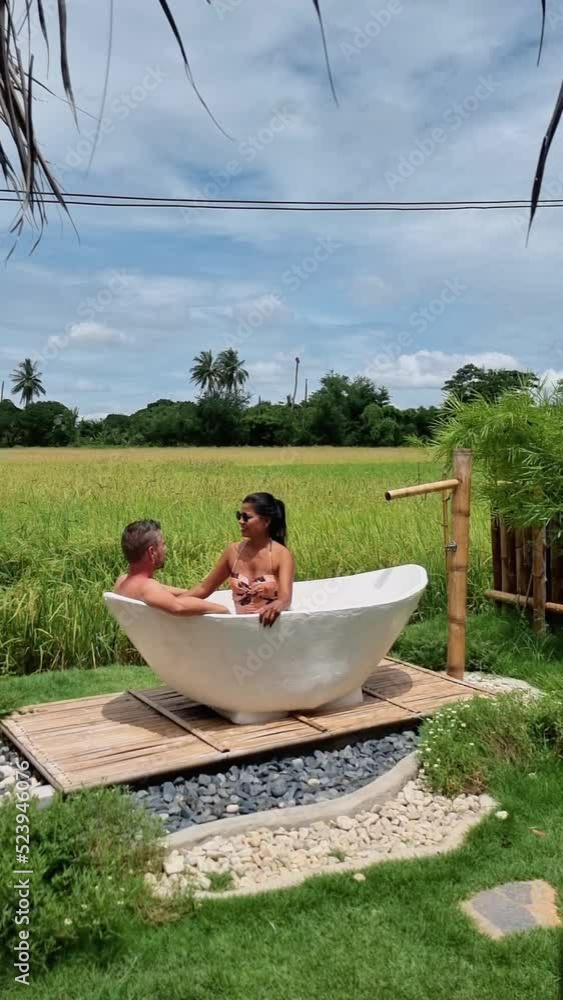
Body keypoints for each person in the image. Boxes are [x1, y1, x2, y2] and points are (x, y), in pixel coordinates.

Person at [188, 492, 295, 627]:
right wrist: (175, 602)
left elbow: (285, 598)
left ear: (266, 521)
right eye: (239, 516)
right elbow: (204, 588)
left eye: (246, 517)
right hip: (242, 629)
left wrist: (277, 604)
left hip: (272, 630)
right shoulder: (233, 552)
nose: (241, 521)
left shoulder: (282, 555)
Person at [114, 520, 229, 616]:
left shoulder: (121, 581)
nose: (165, 549)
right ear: (152, 552)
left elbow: (163, 590)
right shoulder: (148, 587)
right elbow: (179, 607)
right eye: (163, 544)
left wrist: (204, 593)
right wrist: (223, 609)